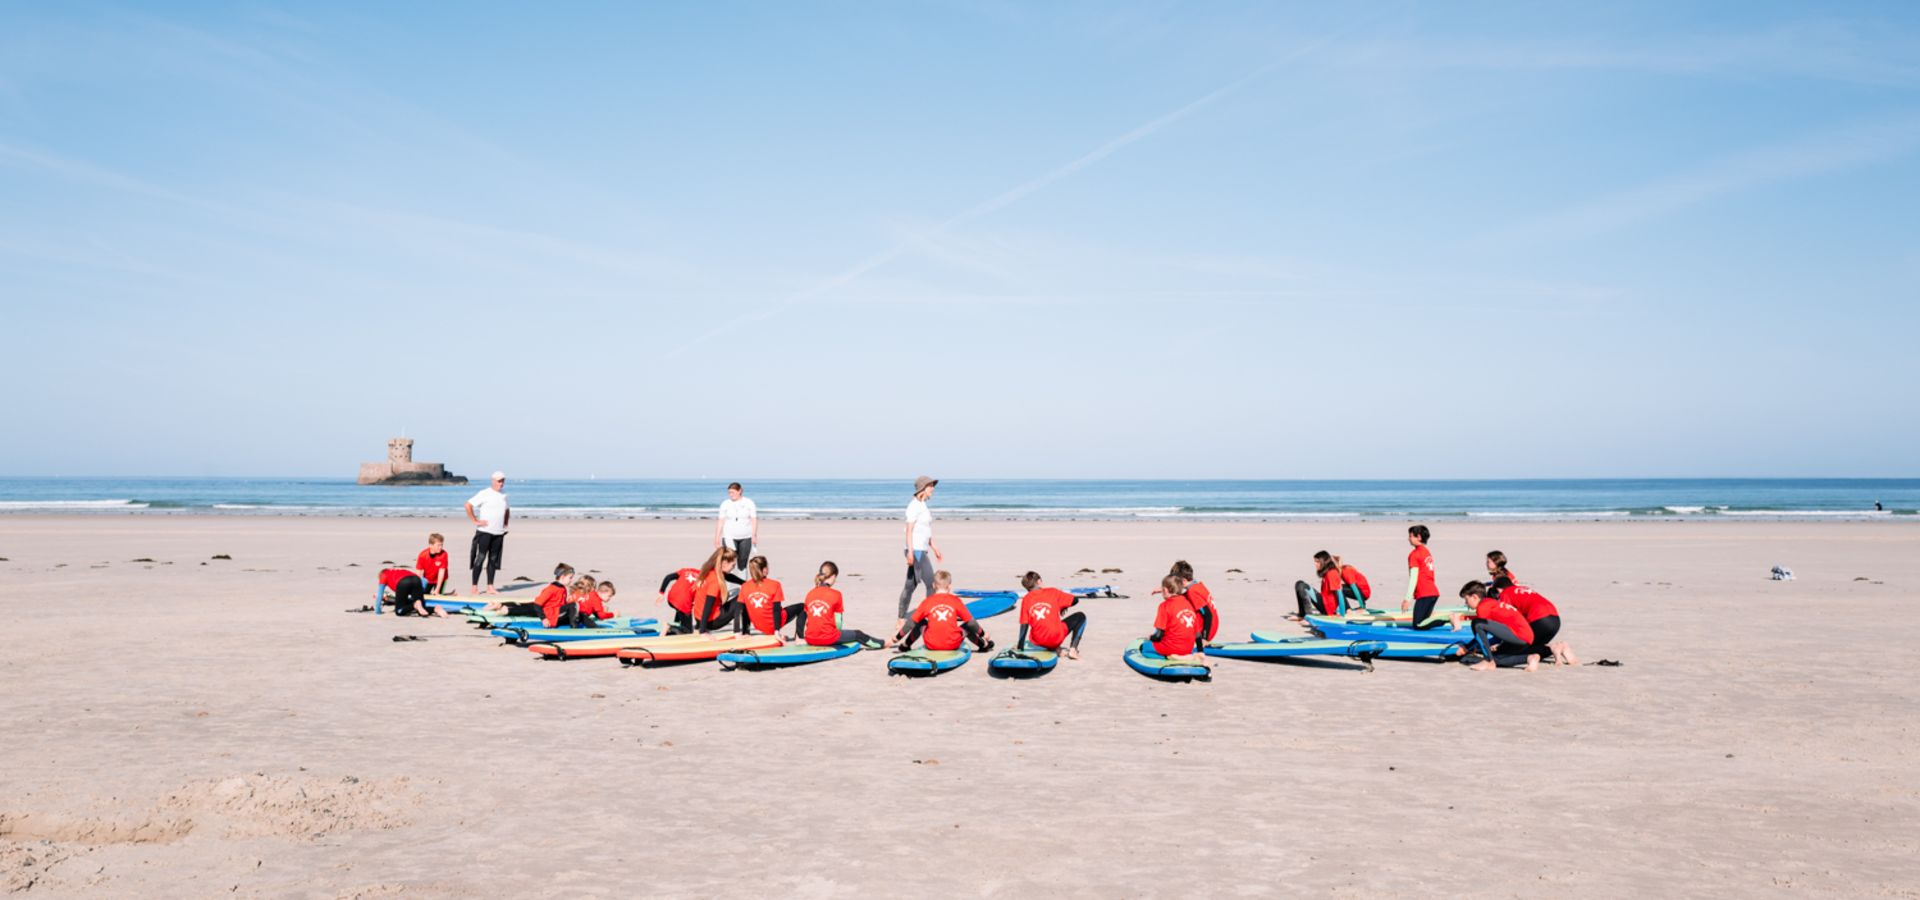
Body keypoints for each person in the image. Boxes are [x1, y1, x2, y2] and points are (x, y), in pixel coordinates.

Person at [895, 571, 992, 653]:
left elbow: (911, 623)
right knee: (967, 626)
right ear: (949, 586)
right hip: (952, 644)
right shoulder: (955, 601)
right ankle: (983, 645)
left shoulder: (927, 601)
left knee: (920, 622)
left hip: (931, 644)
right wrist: (984, 634)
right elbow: (971, 622)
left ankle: (905, 645)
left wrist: (897, 637)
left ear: (933, 585)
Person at [796, 561, 885, 647]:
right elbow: (838, 621)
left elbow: (803, 618)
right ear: (833, 576)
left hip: (810, 639)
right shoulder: (836, 594)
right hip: (828, 638)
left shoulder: (810, 593)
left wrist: (801, 637)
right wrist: (837, 635)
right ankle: (882, 644)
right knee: (858, 634)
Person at [1455, 581, 1537, 671]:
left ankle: (1488, 661)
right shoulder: (1491, 603)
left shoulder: (1482, 607)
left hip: (1520, 635)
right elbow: (1497, 630)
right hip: (1525, 637)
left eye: (1466, 600)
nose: (1466, 604)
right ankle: (1529, 658)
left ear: (1474, 597)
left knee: (1477, 623)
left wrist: (1466, 647)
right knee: (1497, 658)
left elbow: (1480, 630)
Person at [897, 476, 944, 633]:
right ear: (923, 488)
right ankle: (930, 616)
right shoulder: (913, 506)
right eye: (931, 486)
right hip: (915, 550)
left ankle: (901, 619)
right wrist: (910, 552)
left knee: (910, 585)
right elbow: (909, 530)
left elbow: (925, 531)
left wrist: (934, 547)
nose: (933, 489)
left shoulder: (923, 505)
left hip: (921, 549)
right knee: (931, 583)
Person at [1494, 578, 1577, 665]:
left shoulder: (1505, 593)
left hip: (1540, 618)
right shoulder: (1523, 588)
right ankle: (1559, 648)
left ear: (1499, 589)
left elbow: (1508, 618)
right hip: (1555, 619)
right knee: (1533, 648)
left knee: (1513, 650)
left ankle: (1552, 648)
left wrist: (1502, 643)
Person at [1016, 571, 1088, 660]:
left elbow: (1024, 624)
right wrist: (1063, 606)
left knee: (1046, 627)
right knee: (1081, 616)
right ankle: (1073, 650)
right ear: (1039, 582)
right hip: (1055, 637)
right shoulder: (1052, 592)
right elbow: (1075, 600)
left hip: (1038, 640)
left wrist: (1020, 646)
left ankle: (1056, 649)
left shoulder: (1026, 599)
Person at [464, 472, 511, 596]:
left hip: (499, 533)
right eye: (499, 481)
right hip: (485, 532)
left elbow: (507, 509)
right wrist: (475, 520)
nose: (501, 483)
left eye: (503, 481)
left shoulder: (504, 495)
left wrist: (505, 522)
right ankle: (474, 587)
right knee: (480, 558)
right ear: (493, 481)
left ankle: (490, 586)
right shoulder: (484, 493)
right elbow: (468, 505)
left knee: (493, 560)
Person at [1143, 574, 1201, 659]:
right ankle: (1183, 656)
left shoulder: (1164, 605)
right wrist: (1200, 651)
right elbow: (1197, 634)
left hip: (1171, 648)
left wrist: (1150, 638)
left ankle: (1170, 657)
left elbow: (1158, 636)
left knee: (1145, 647)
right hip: (1188, 649)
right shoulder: (1189, 604)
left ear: (1165, 590)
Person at [693, 546, 744, 635]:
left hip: (698, 618)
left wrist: (745, 583)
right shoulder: (715, 581)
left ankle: (699, 627)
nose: (734, 568)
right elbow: (707, 606)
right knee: (743, 597)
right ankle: (739, 633)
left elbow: (728, 576)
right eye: (733, 565)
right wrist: (703, 631)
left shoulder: (709, 571)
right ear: (724, 563)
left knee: (736, 593)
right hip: (712, 622)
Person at [715, 482, 759, 583]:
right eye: (729, 493)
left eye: (733, 492)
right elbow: (721, 521)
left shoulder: (749, 503)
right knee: (729, 562)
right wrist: (717, 537)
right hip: (729, 536)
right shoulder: (725, 504)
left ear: (740, 491)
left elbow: (754, 519)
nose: (731, 494)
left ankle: (742, 586)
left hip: (746, 537)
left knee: (742, 563)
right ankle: (727, 588)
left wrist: (754, 535)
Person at [1401, 525, 1444, 630]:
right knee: (1423, 624)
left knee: (1418, 625)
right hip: (1433, 592)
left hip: (1425, 594)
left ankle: (1448, 618)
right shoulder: (1426, 552)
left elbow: (1413, 578)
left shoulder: (1414, 554)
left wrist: (1407, 599)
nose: (1408, 538)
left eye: (1411, 536)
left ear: (1419, 537)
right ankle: (1445, 619)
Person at [738, 556, 791, 637]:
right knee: (801, 607)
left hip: (758, 625)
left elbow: (743, 612)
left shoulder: (745, 586)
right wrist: (776, 631)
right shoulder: (775, 584)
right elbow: (776, 610)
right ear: (765, 569)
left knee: (746, 606)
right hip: (773, 625)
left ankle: (746, 632)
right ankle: (799, 638)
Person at [1170, 561, 1218, 644]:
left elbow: (1208, 614)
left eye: (1176, 583)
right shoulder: (1198, 585)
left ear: (1184, 581)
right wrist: (1165, 590)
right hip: (1212, 627)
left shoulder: (1192, 592)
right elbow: (1182, 597)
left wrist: (1204, 638)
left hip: (1206, 631)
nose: (1175, 585)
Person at [1294, 551, 1346, 619]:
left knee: (1302, 586)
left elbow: (1339, 593)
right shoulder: (1327, 572)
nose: (1315, 564)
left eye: (1317, 562)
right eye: (1315, 561)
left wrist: (1342, 614)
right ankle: (1302, 615)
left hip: (1329, 608)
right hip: (1324, 603)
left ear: (1324, 561)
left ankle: (1309, 617)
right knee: (1299, 583)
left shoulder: (1332, 573)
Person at [657, 565, 703, 634]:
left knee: (680, 607)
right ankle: (669, 627)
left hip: (671, 598)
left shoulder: (685, 570)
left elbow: (668, 577)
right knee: (688, 631)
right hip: (682, 603)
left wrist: (661, 593)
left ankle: (676, 623)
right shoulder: (704, 580)